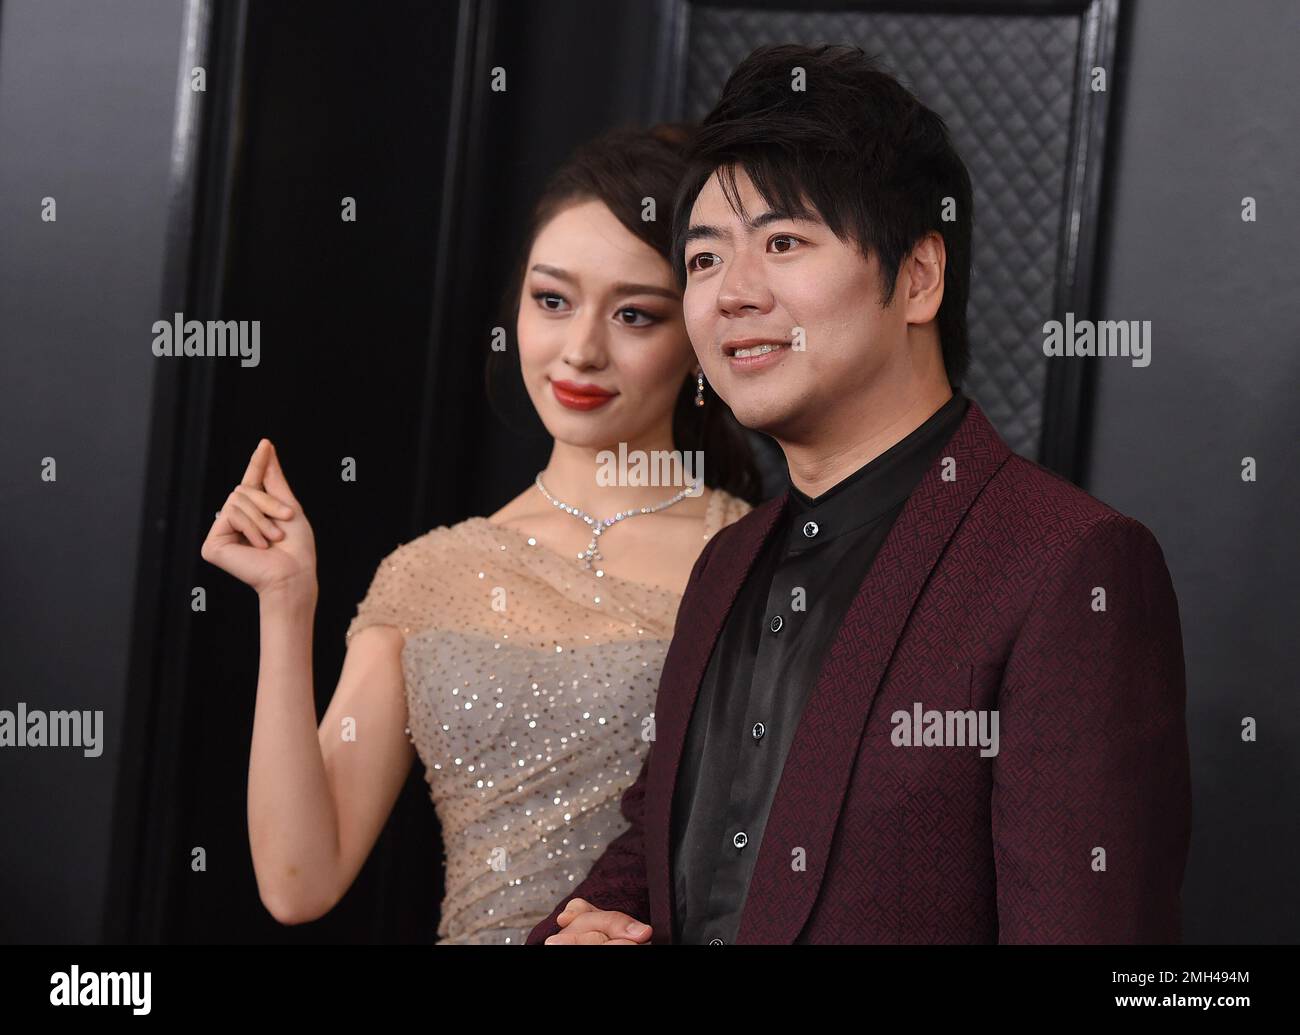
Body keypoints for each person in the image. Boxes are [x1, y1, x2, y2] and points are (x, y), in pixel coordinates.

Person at [528, 44, 1191, 945]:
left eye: (784, 242)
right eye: (705, 258)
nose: (731, 294)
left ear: (917, 276)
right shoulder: (729, 561)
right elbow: (657, 849)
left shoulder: (1068, 566)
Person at [199, 124, 758, 944]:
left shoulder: (756, 562)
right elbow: (299, 879)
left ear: (700, 338)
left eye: (635, 314)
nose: (580, 349)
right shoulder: (433, 571)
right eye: (552, 300)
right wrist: (286, 604)